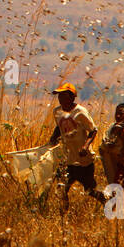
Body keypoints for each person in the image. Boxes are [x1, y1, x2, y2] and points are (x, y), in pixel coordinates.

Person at [46, 83, 105, 213]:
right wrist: (53, 139)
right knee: (61, 188)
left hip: (83, 159)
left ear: (72, 98)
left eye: (64, 96)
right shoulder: (57, 112)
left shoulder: (80, 112)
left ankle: (106, 201)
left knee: (90, 190)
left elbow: (93, 130)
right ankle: (63, 214)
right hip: (67, 158)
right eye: (59, 96)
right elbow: (59, 126)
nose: (61, 99)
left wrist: (85, 146)